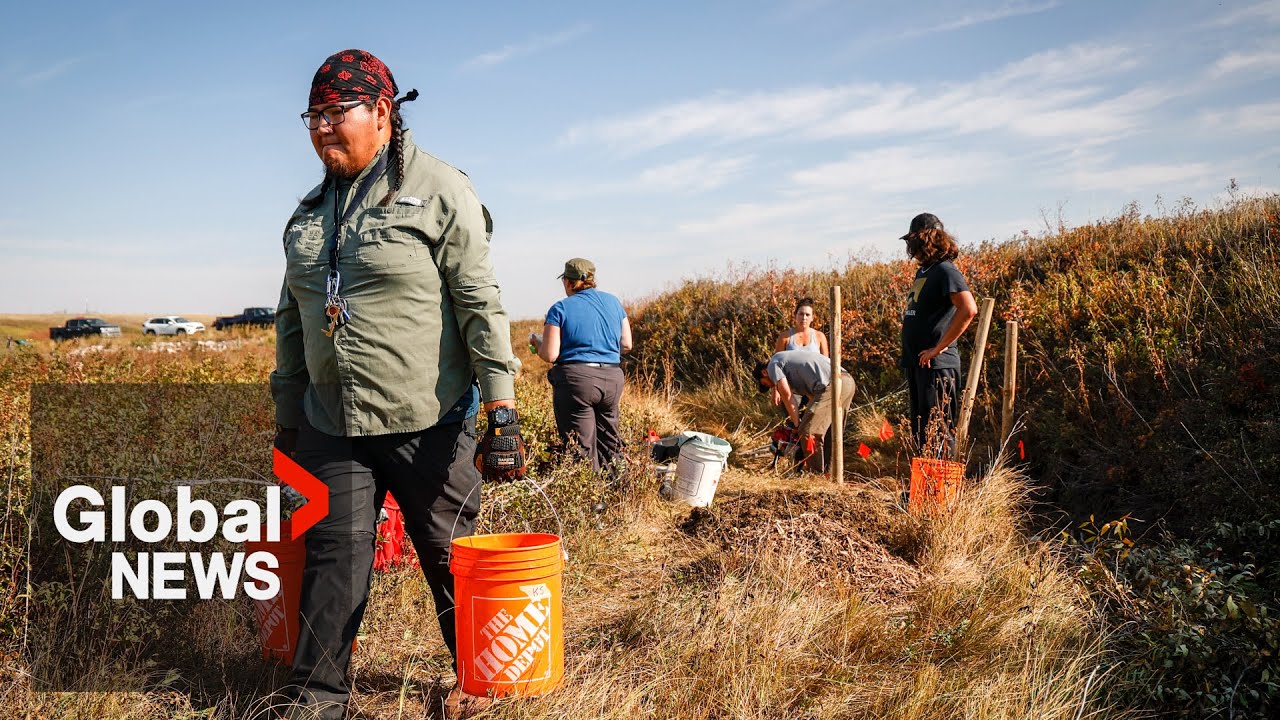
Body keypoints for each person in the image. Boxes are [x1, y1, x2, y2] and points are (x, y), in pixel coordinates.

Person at [269, 48, 526, 720]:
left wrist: (502, 410)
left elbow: (478, 302)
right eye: (312, 115)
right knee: (331, 569)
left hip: (430, 419)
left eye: (335, 112)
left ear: (382, 112)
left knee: (452, 559)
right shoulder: (306, 215)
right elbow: (292, 325)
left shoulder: (441, 189)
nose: (322, 128)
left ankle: (484, 685)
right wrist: (288, 420)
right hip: (331, 422)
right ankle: (318, 700)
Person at [531, 258, 632, 476]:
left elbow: (550, 354)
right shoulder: (614, 303)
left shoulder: (559, 308)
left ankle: (590, 502)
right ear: (592, 280)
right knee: (610, 441)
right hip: (612, 378)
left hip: (577, 382)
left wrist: (537, 342)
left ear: (568, 282)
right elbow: (626, 344)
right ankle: (620, 492)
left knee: (580, 446)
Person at [899, 212, 978, 455]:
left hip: (937, 366)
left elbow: (969, 309)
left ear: (924, 238)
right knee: (922, 431)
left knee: (939, 430)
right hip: (919, 364)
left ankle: (943, 492)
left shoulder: (945, 270)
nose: (909, 248)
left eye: (911, 240)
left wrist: (939, 347)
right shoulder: (925, 271)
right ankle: (924, 491)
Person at [754, 350, 855, 473]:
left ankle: (816, 475)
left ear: (764, 372)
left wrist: (797, 425)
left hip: (833, 383)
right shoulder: (791, 366)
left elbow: (787, 395)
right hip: (847, 381)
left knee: (807, 431)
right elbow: (815, 399)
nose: (771, 386)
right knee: (831, 432)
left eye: (766, 384)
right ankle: (830, 474)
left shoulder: (773, 365)